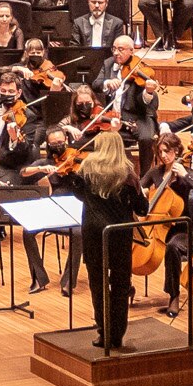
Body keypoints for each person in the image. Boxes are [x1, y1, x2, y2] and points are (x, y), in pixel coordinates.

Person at [68, 129, 141, 353]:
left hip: (93, 234)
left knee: (97, 285)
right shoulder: (128, 175)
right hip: (119, 234)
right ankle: (117, 335)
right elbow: (142, 208)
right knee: (120, 285)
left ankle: (103, 332)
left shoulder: (86, 170)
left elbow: (78, 195)